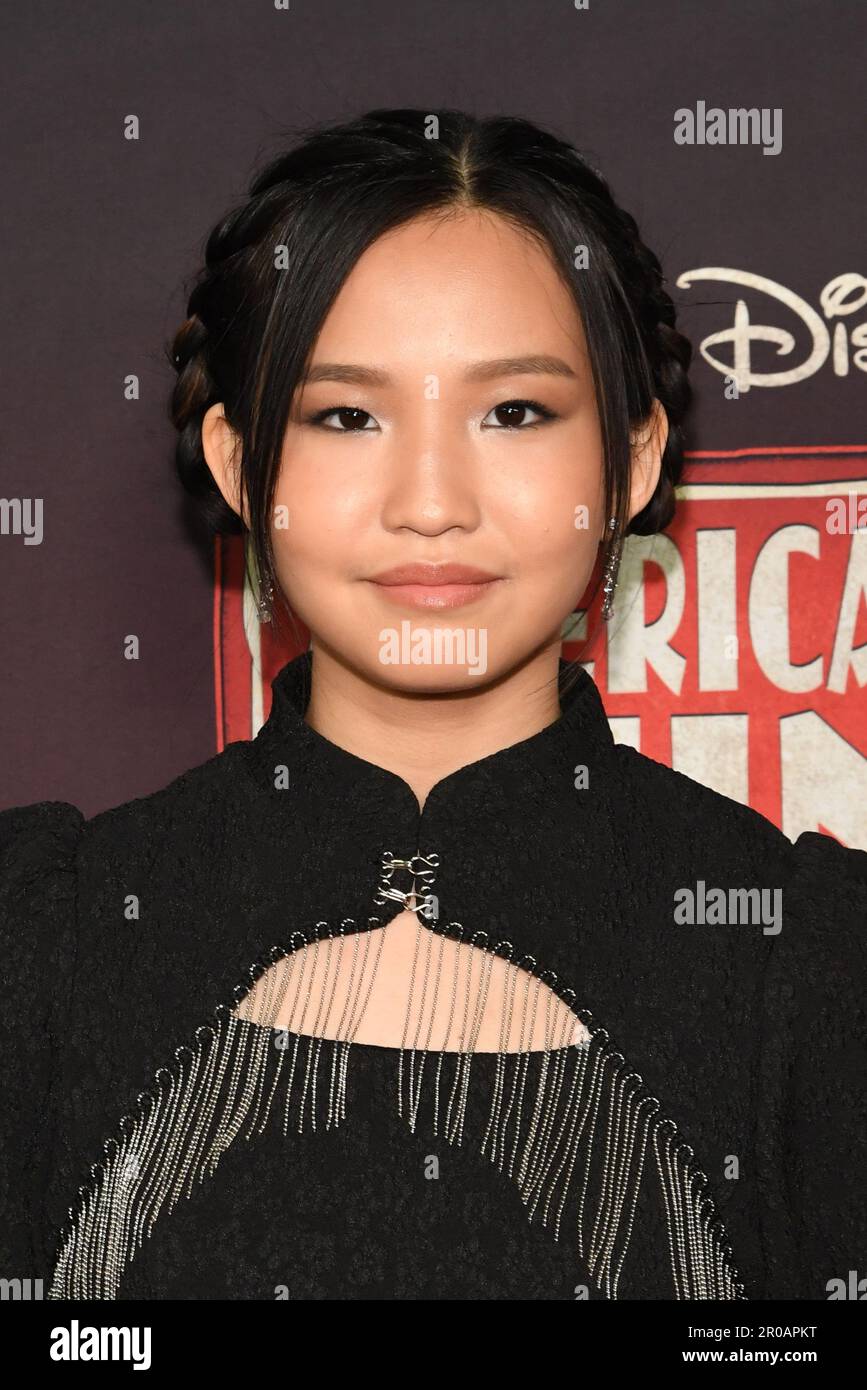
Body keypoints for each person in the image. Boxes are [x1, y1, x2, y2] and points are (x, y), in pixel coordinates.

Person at [2, 108, 865, 1302]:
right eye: (346, 415)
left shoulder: (810, 970)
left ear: (633, 458)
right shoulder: (46, 938)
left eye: (514, 412)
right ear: (241, 463)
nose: (432, 501)